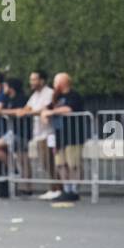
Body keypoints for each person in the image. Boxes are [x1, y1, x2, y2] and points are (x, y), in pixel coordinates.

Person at [42, 73, 85, 203]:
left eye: (56, 82)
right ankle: (66, 188)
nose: (54, 85)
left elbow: (69, 109)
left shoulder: (74, 95)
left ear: (62, 83)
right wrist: (45, 112)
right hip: (59, 135)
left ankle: (74, 189)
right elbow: (47, 107)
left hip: (73, 135)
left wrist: (51, 112)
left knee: (73, 164)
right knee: (60, 163)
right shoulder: (57, 97)